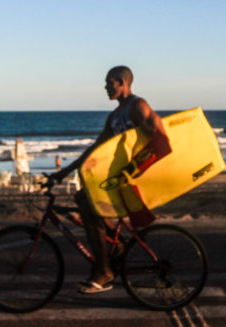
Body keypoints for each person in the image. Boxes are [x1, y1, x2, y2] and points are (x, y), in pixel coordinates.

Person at [48, 66, 169, 294]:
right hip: (122, 176)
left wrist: (135, 167)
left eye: (109, 83)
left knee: (91, 209)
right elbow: (95, 149)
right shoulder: (115, 116)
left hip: (138, 176)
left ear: (122, 82)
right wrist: (63, 172)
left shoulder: (138, 105)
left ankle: (104, 272)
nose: (105, 88)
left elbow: (162, 140)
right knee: (82, 198)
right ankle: (119, 247)